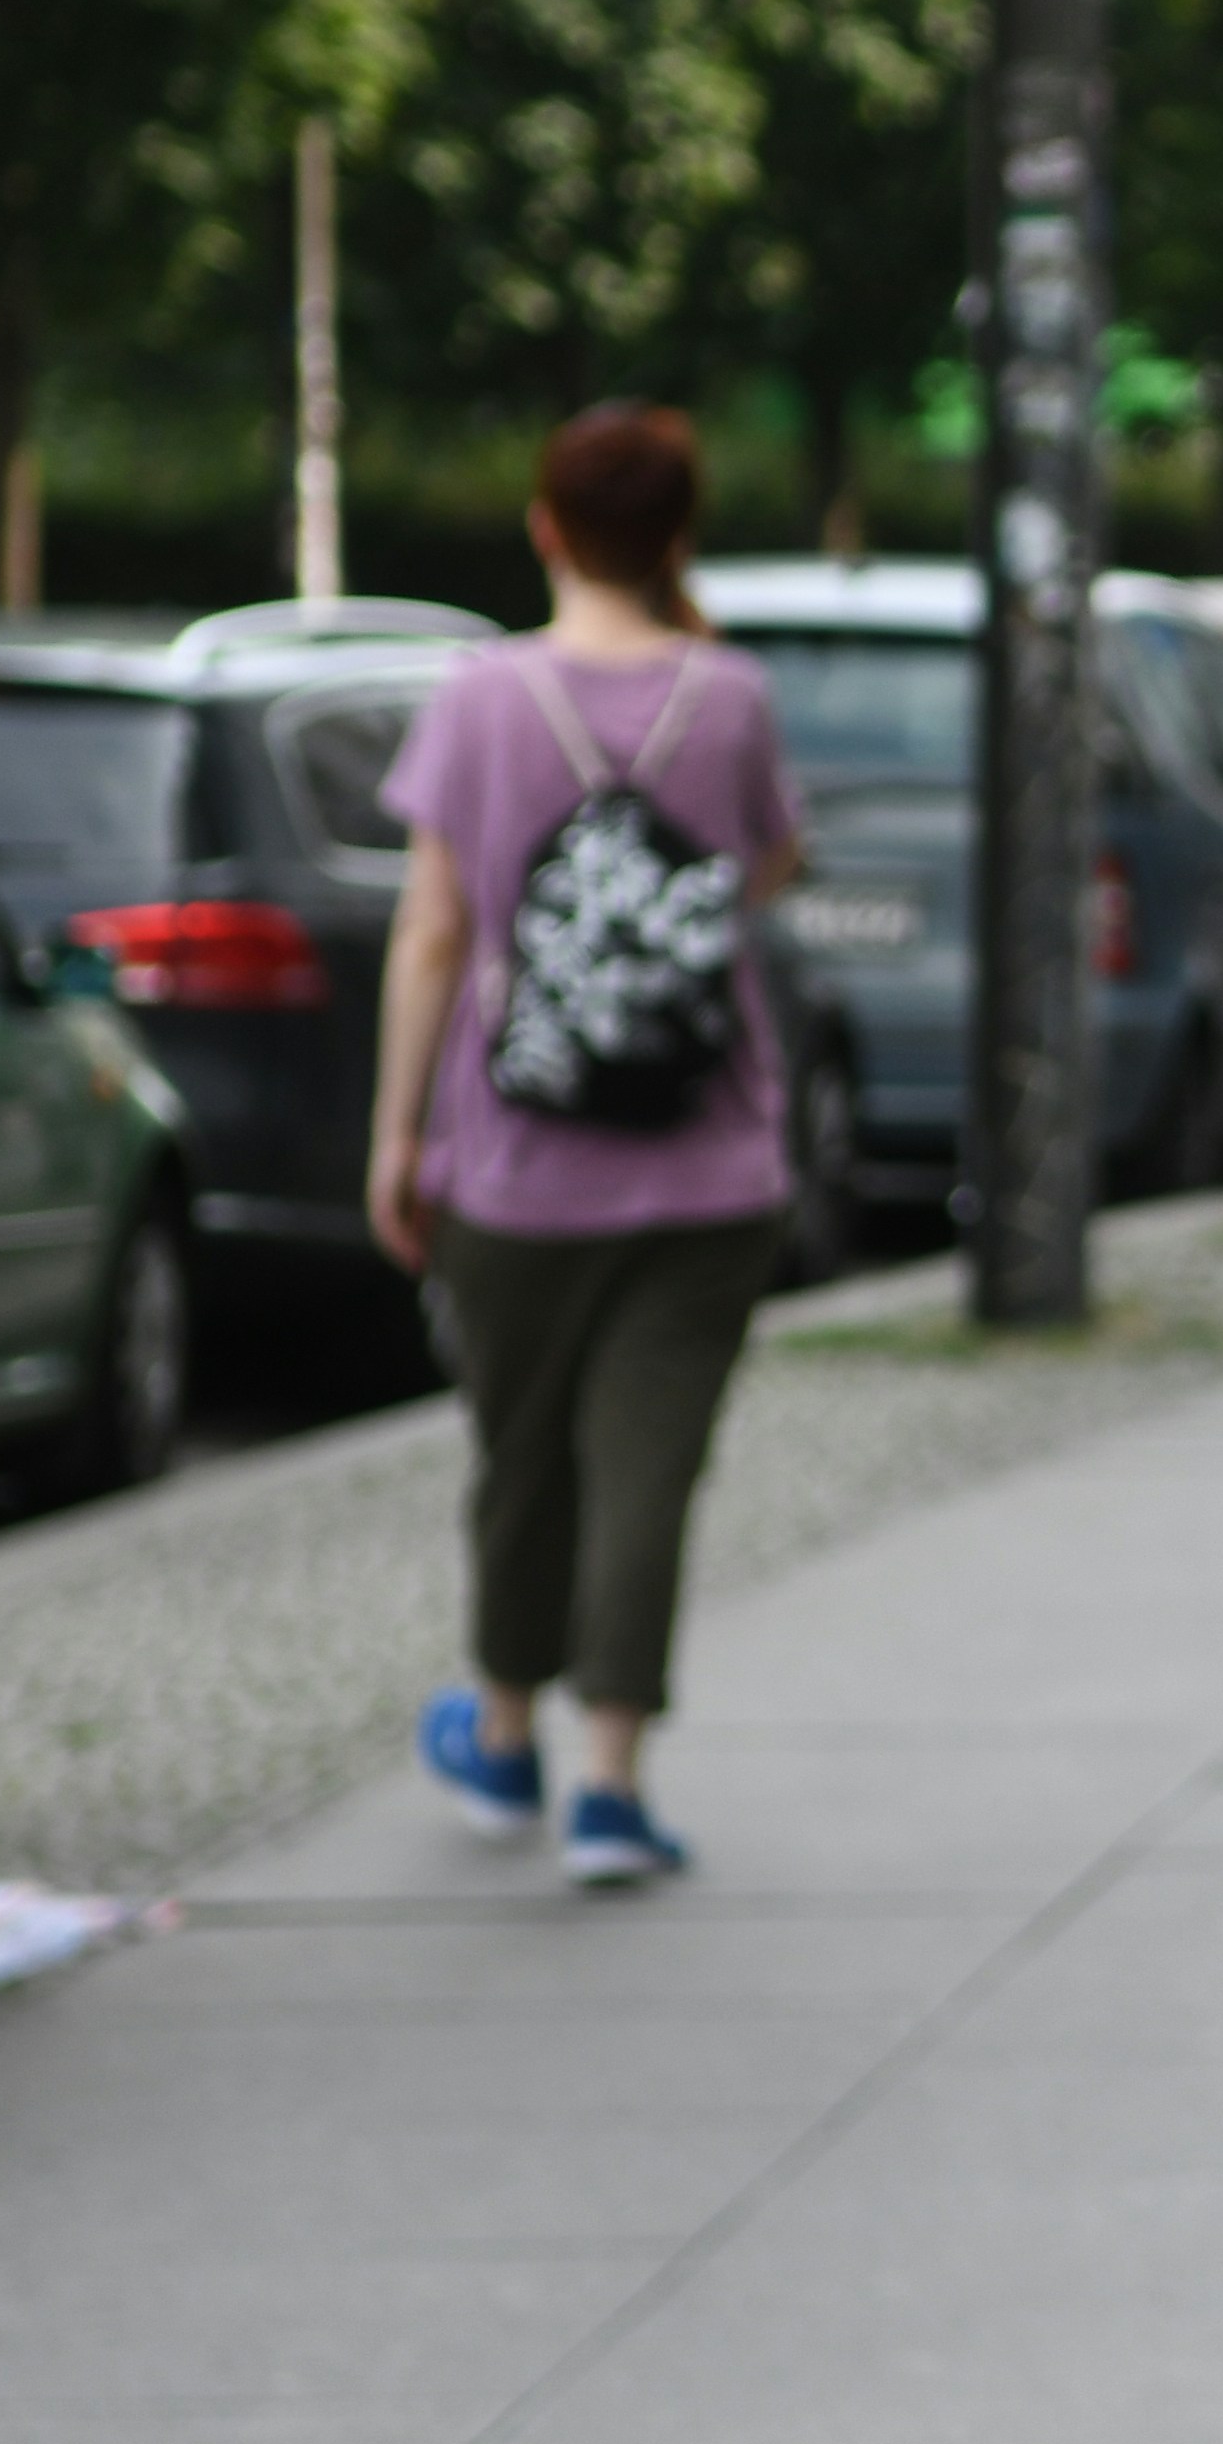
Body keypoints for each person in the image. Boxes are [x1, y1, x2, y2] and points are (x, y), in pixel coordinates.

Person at [371, 404, 808, 1888]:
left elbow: (434, 929)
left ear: (544, 527)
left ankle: (502, 1733)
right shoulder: (732, 698)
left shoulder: (480, 697)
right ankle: (610, 1784)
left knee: (521, 1456)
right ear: (681, 537)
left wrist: (399, 1133)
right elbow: (771, 868)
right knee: (648, 1468)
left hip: (519, 1159)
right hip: (708, 1164)